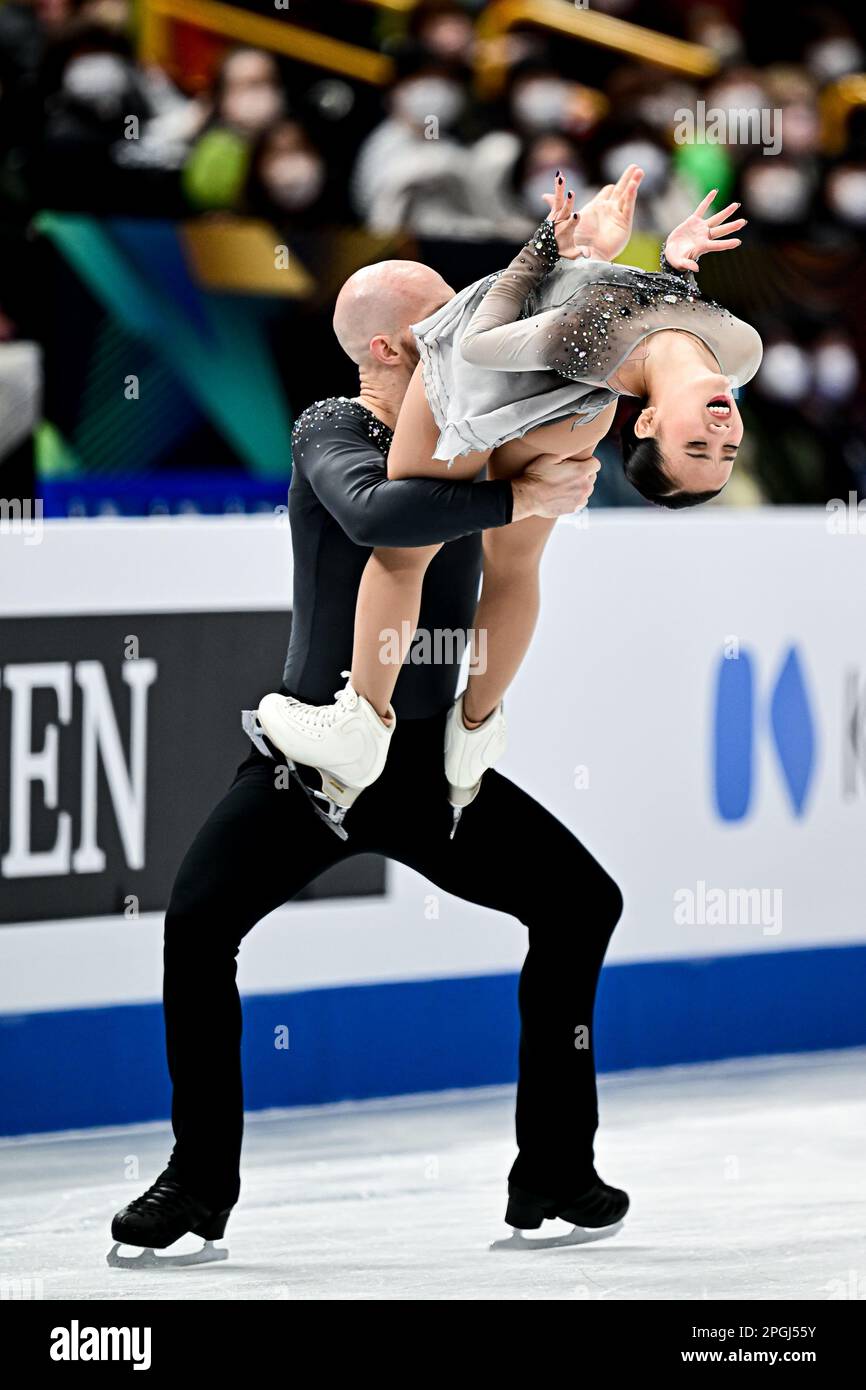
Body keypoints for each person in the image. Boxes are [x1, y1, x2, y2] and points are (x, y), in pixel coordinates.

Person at [108, 258, 627, 1265]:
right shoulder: (329, 429)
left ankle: (553, 1168)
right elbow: (377, 515)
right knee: (198, 926)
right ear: (389, 349)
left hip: (434, 775)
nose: (467, 332)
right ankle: (197, 1180)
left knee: (578, 902)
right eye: (443, 319)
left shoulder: (476, 441)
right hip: (318, 766)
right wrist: (513, 493)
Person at [257, 173, 761, 832]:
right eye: (720, 453)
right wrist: (673, 261)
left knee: (404, 558)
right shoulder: (730, 352)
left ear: (647, 423)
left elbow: (477, 344)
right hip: (575, 417)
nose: (721, 437)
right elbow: (655, 326)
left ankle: (361, 726)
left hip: (477, 394)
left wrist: (545, 245)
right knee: (516, 567)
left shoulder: (600, 342)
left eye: (697, 449)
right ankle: (473, 737)